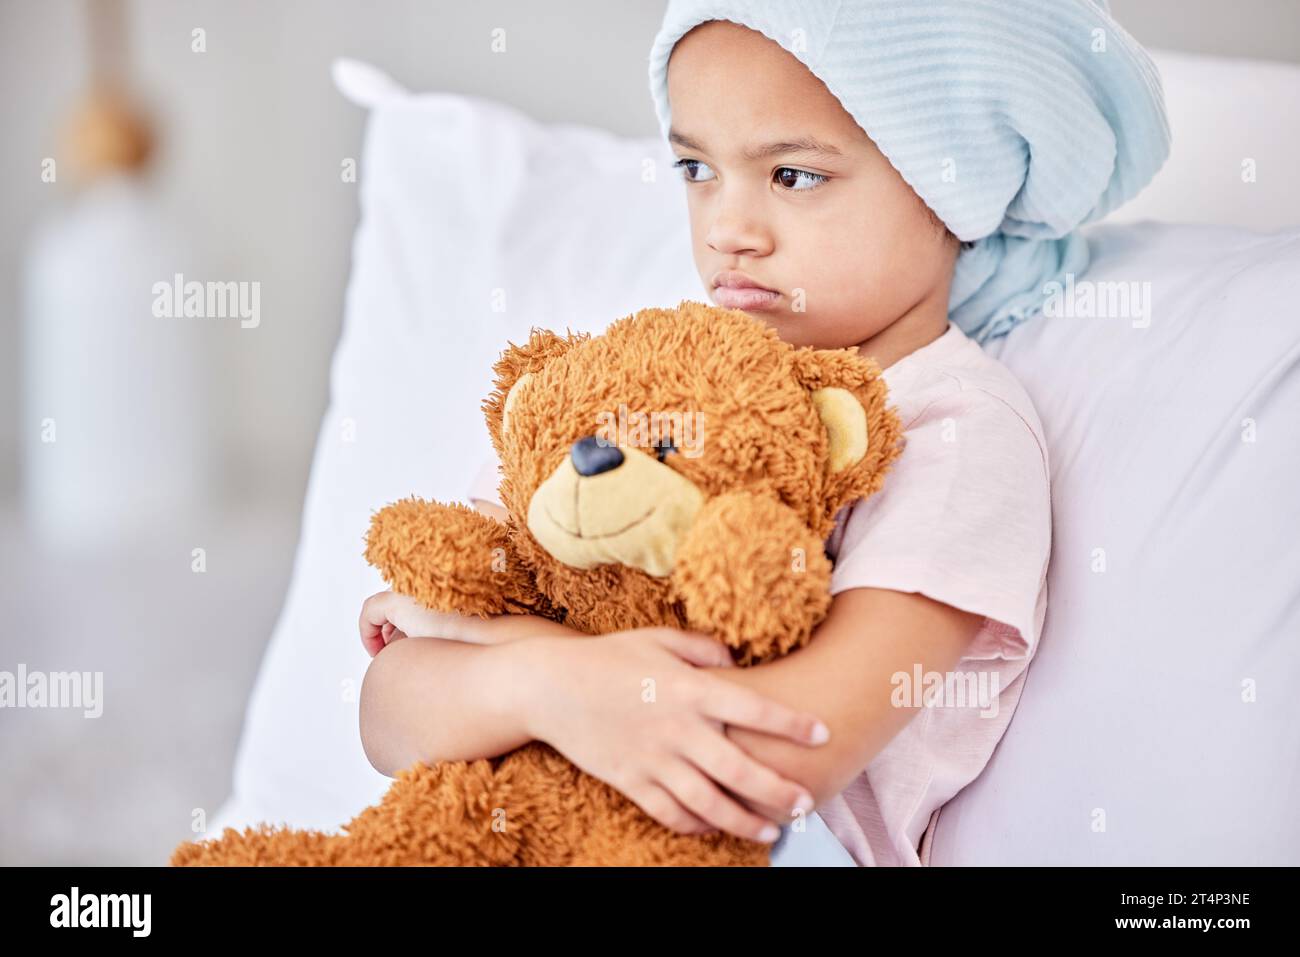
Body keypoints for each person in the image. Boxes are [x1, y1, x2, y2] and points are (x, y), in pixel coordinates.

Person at [357, 0, 1169, 865]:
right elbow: (386, 711)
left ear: (948, 188)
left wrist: (505, 665)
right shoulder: (634, 380)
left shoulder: (956, 431)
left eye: (794, 176)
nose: (725, 230)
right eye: (695, 168)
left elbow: (780, 752)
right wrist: (547, 683)